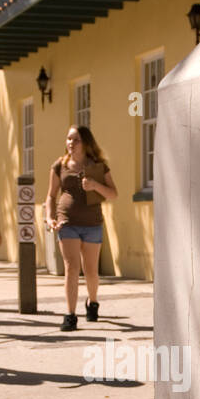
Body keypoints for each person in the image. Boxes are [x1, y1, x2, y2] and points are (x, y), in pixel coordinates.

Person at [46, 124, 117, 330]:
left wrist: (95, 186)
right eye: (68, 139)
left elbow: (113, 194)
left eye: (75, 139)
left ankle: (92, 302)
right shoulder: (60, 165)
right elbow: (51, 196)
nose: (70, 143)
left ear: (85, 143)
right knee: (71, 268)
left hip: (92, 223)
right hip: (66, 221)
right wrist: (50, 217)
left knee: (91, 271)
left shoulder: (98, 166)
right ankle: (70, 315)